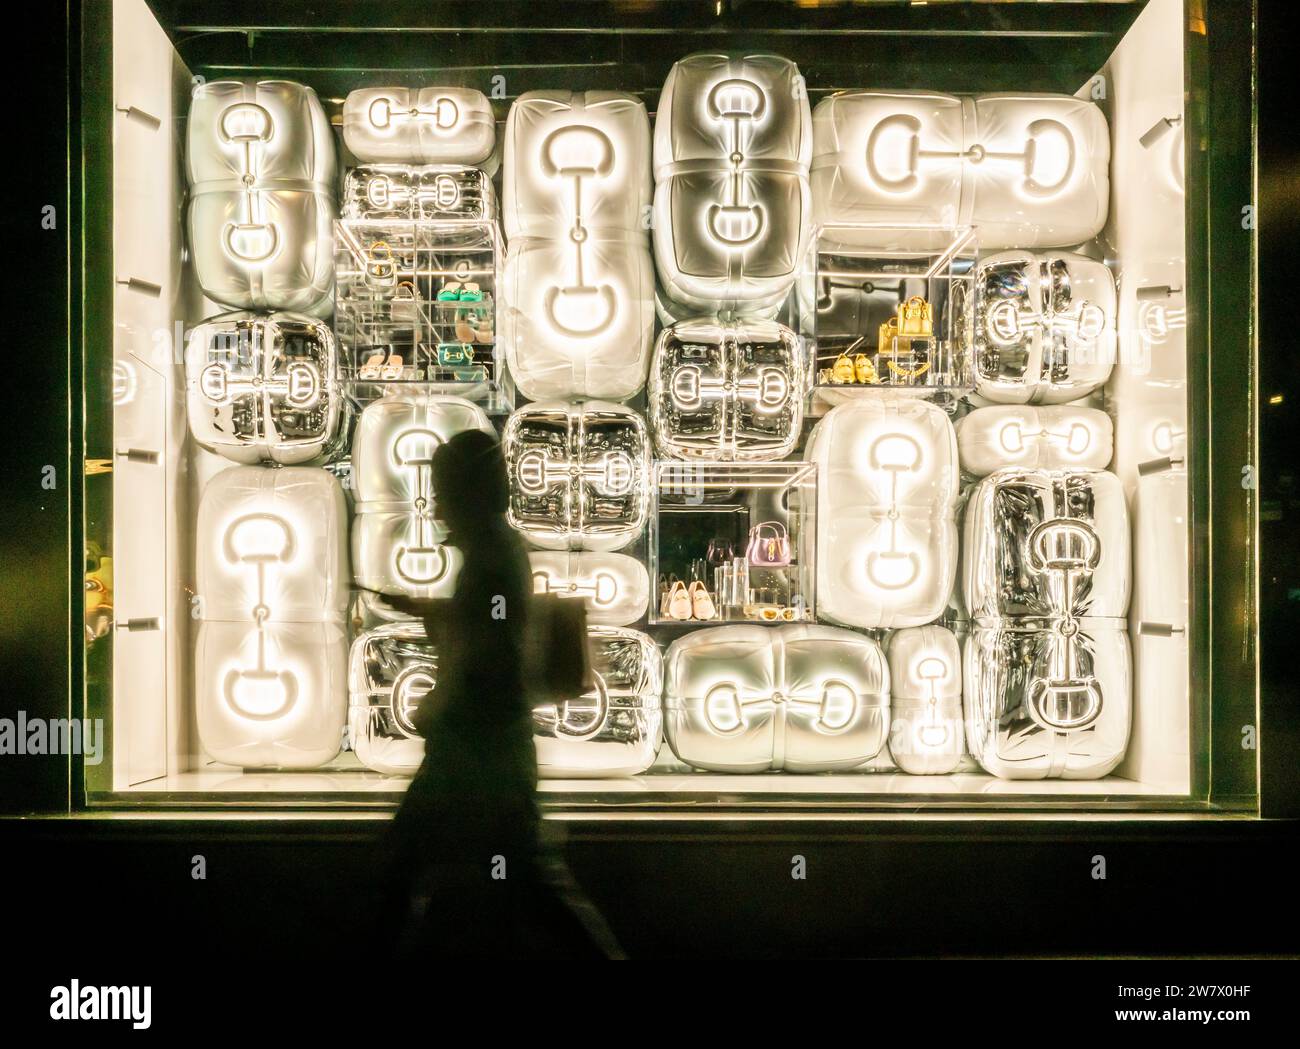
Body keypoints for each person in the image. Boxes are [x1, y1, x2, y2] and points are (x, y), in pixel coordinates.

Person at [380, 428, 623, 959]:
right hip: (488, 757)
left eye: (444, 490)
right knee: (523, 886)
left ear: (465, 493)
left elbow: (494, 659)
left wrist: (436, 709)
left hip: (473, 759)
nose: (437, 505)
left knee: (418, 873)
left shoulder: (487, 563)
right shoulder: (497, 552)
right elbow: (498, 634)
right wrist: (441, 616)